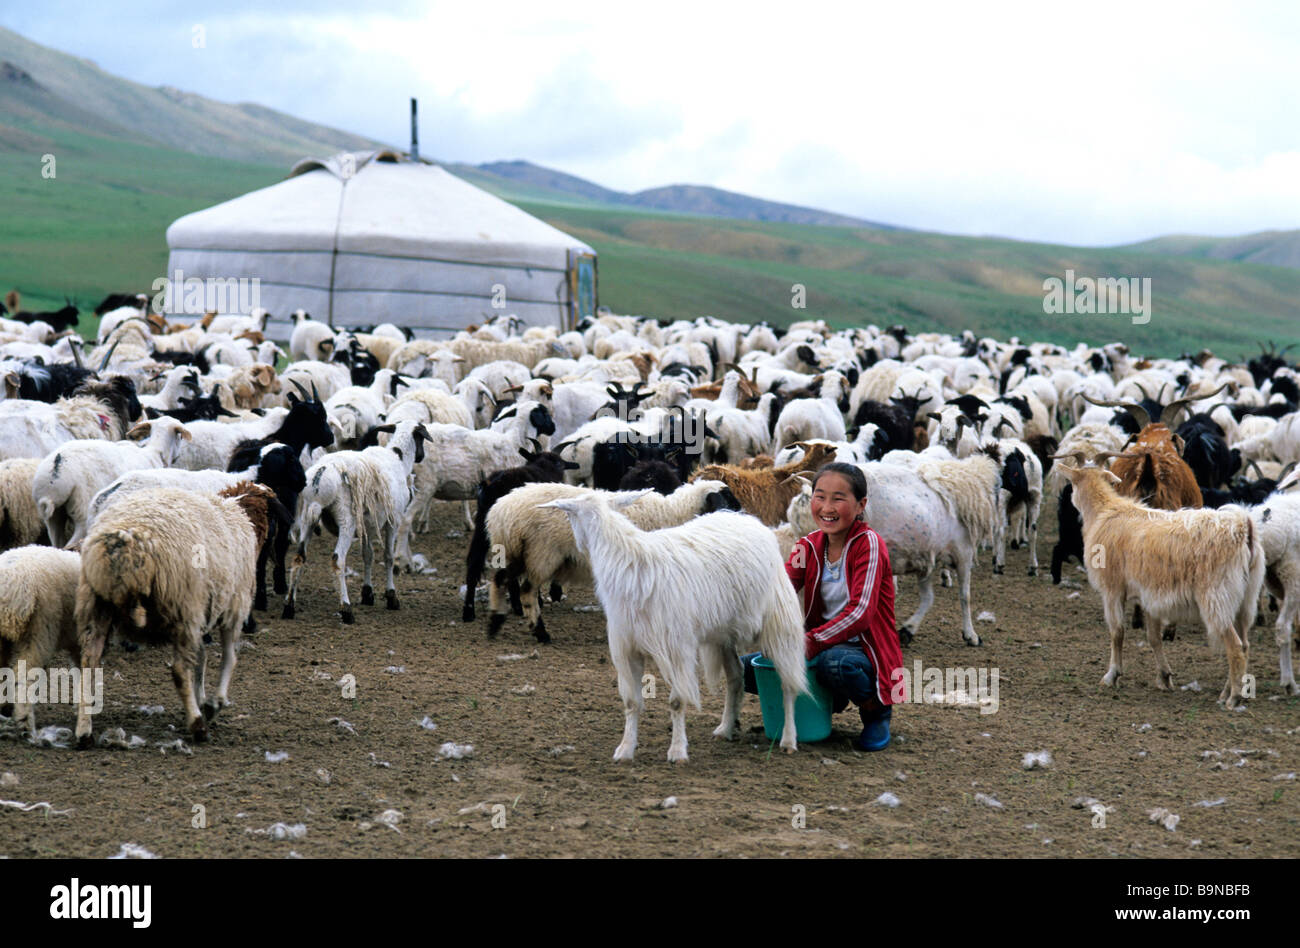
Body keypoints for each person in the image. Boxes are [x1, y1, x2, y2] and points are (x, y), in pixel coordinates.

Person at [743, 462, 904, 751]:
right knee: (746, 667)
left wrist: (810, 641)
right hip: (822, 644)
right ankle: (824, 702)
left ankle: (876, 711)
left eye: (838, 498)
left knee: (836, 665)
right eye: (820, 496)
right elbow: (782, 588)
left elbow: (860, 613)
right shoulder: (808, 546)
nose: (826, 506)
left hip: (865, 648)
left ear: (860, 505)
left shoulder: (869, 545)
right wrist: (748, 614)